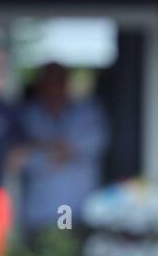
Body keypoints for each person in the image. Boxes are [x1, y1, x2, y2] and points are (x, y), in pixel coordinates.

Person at [16, 61, 110, 236]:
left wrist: (42, 146)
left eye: (58, 81)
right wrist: (56, 150)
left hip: (74, 210)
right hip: (39, 213)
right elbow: (19, 158)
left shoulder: (87, 112)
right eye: (49, 81)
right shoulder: (28, 115)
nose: (54, 87)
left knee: (70, 255)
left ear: (66, 83)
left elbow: (91, 146)